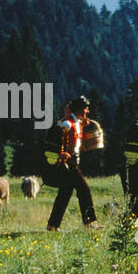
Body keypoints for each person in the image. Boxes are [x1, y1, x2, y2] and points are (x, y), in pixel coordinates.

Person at [46, 96, 100, 231]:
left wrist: (83, 123)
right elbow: (60, 138)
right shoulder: (68, 123)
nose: (88, 112)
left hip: (71, 160)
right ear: (80, 110)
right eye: (86, 109)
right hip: (68, 161)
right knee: (84, 189)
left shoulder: (75, 121)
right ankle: (89, 223)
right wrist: (63, 153)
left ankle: (52, 225)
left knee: (65, 193)